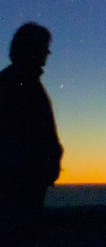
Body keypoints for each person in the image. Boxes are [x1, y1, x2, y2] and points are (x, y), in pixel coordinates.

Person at [0, 23, 63, 245]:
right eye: (44, 47)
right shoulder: (16, 84)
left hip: (27, 183)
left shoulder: (25, 83)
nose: (47, 53)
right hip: (19, 187)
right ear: (30, 48)